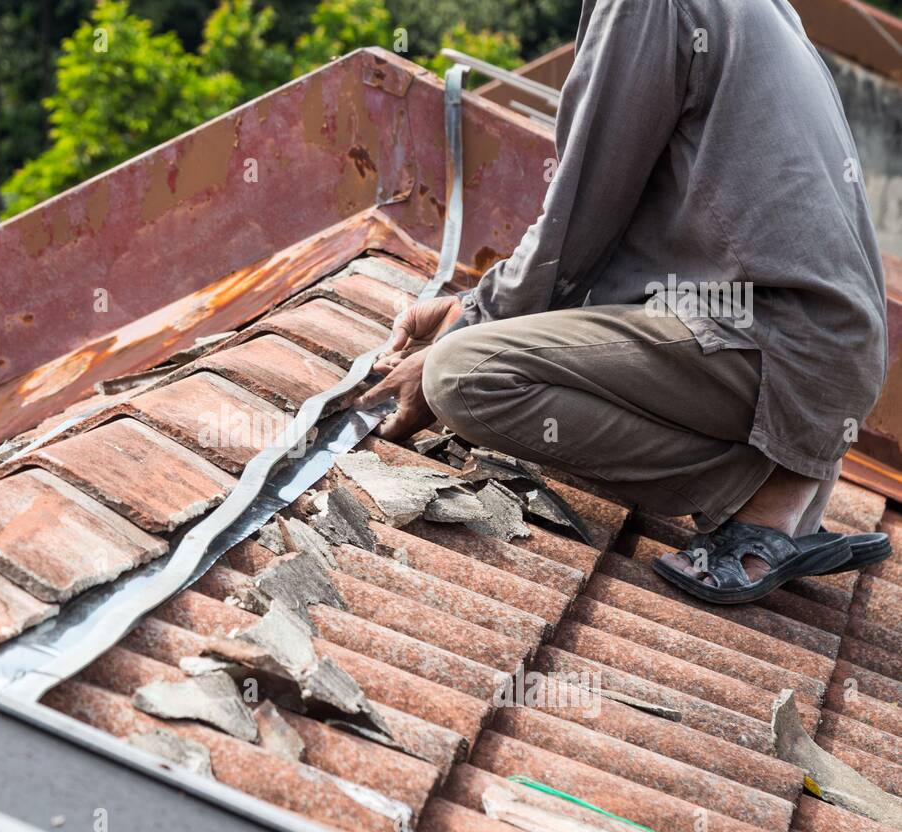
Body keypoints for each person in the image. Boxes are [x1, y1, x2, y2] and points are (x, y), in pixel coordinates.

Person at [358, 0, 891, 604]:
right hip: (819, 349)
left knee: (460, 376)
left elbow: (580, 216)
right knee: (465, 356)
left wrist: (468, 327)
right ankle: (788, 468)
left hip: (773, 339)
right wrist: (466, 309)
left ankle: (763, 488)